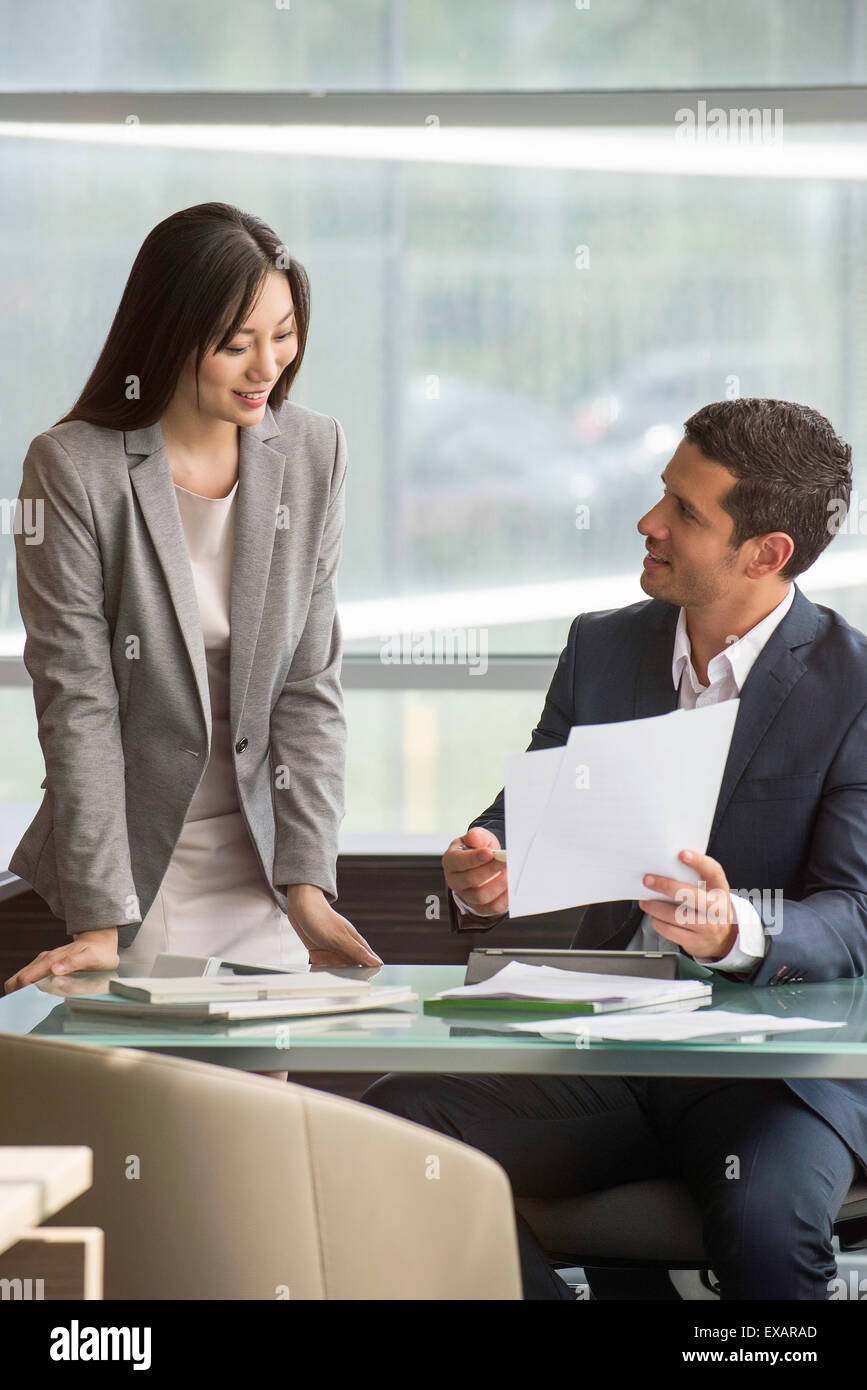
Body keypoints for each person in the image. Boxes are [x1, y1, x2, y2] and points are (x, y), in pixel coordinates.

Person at [365, 397, 867, 1299]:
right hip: (606, 1052)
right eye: (660, 495)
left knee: (765, 1226)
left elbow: (853, 913)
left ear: (767, 553)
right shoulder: (600, 648)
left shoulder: (855, 685)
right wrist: (484, 875)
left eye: (686, 512)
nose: (649, 522)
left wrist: (734, 933)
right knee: (394, 1139)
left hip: (773, 1077)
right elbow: (519, 820)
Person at [5, 201, 381, 1018]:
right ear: (170, 333)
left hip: (264, 869)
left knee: (264, 1129)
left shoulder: (315, 451)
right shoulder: (73, 469)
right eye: (235, 344)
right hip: (140, 865)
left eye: (282, 334)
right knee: (171, 1125)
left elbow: (309, 690)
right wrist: (103, 919)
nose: (266, 366)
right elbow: (79, 702)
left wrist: (308, 884)